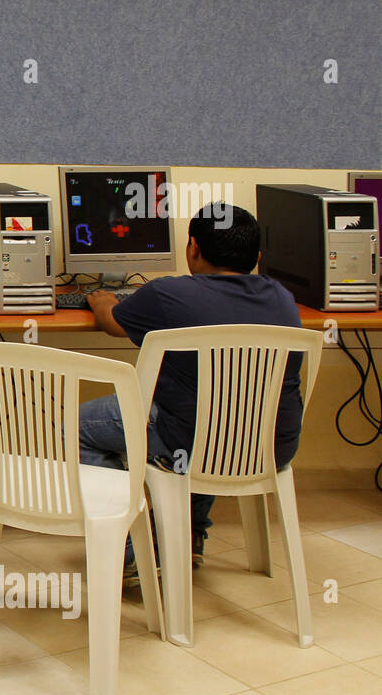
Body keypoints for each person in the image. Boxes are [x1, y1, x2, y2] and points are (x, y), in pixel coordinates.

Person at [80, 204, 304, 586]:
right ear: (258, 258)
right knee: (210, 413)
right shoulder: (281, 298)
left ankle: (138, 550)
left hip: (193, 440)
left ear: (193, 249)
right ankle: (190, 535)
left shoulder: (168, 294)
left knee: (74, 427)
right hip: (269, 446)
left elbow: (112, 324)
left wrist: (101, 300)